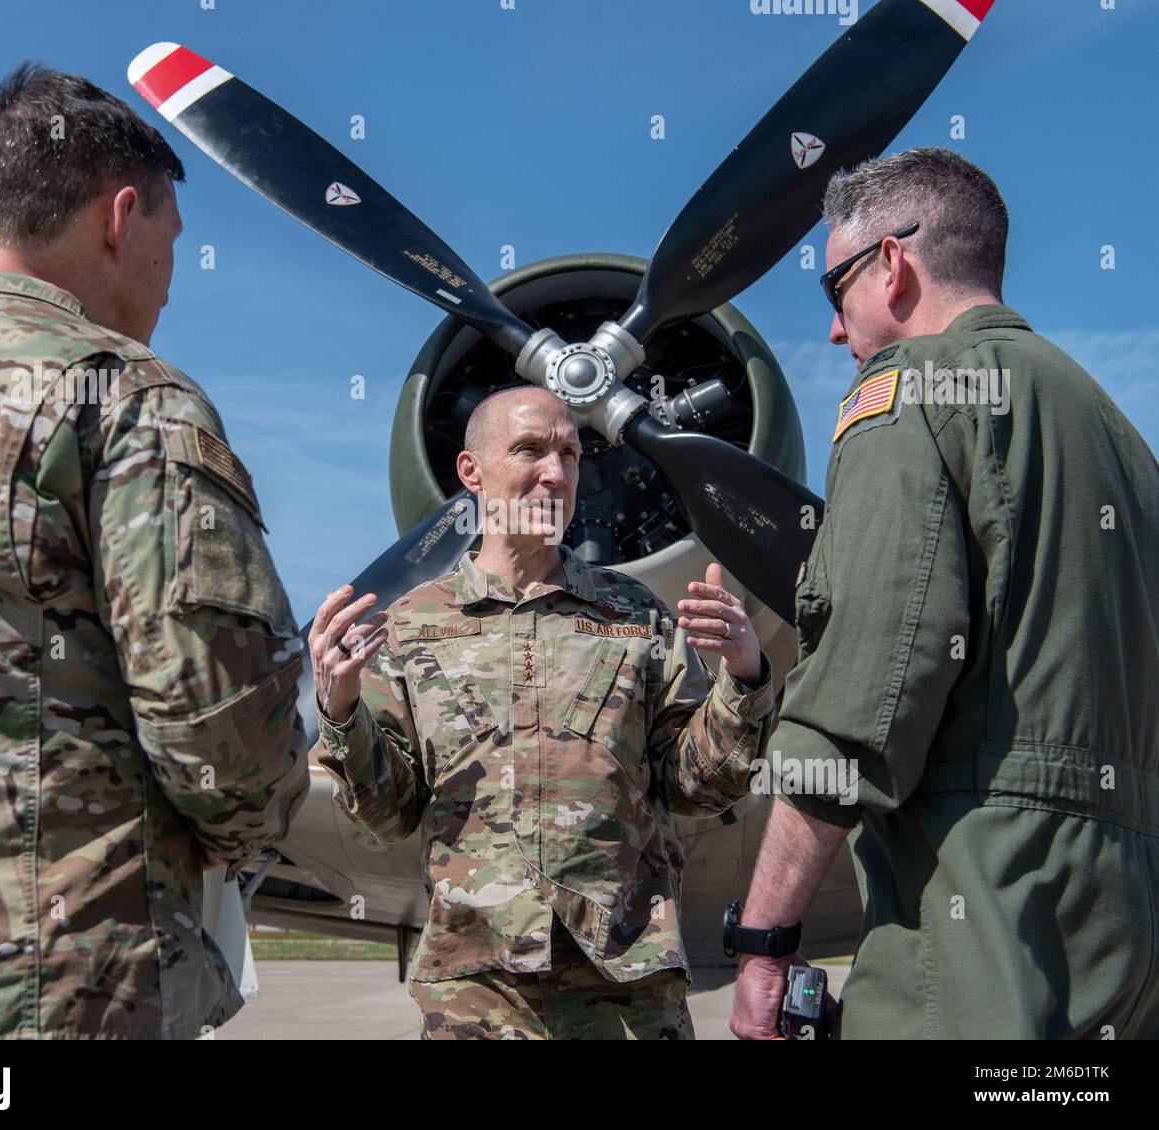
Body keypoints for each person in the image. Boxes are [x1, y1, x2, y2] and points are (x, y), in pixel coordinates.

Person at [0, 64, 308, 1039]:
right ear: (120, 217)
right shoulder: (130, 395)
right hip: (61, 988)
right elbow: (220, 734)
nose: (171, 273)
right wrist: (256, 831)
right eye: (171, 240)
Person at [729, 147, 1159, 1040]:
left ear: (892, 265)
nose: (838, 335)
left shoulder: (913, 388)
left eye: (833, 291)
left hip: (982, 938)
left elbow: (860, 700)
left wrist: (765, 937)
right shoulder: (1115, 434)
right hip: (1125, 940)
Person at [310, 385, 775, 1039]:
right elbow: (388, 813)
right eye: (530, 450)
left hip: (627, 990)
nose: (555, 474)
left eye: (571, 454)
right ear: (471, 471)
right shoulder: (411, 625)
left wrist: (743, 678)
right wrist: (339, 706)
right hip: (478, 993)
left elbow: (699, 788)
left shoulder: (637, 615)